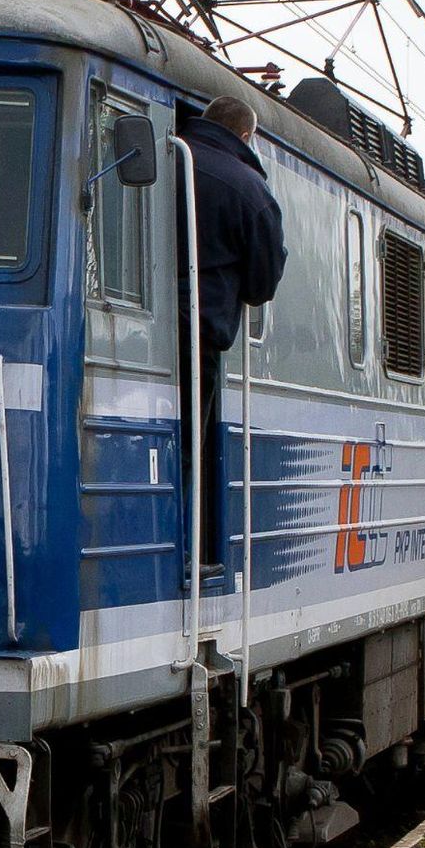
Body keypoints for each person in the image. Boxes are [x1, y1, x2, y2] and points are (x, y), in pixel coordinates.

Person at [182, 94, 287, 575]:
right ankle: (189, 547)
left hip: (147, 330)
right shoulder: (250, 189)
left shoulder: (168, 153)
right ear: (247, 136)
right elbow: (262, 286)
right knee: (190, 449)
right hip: (200, 334)